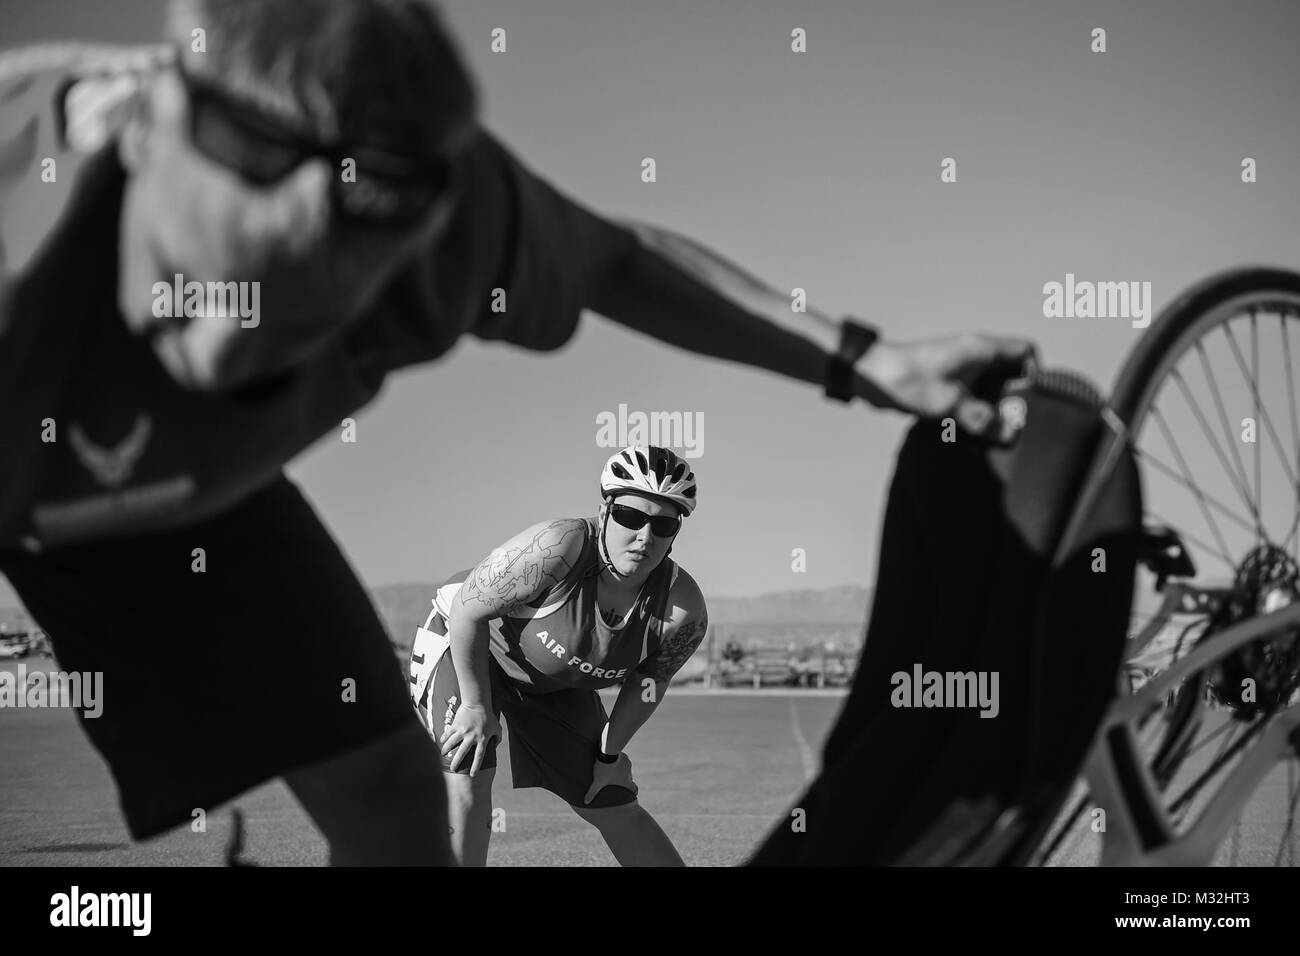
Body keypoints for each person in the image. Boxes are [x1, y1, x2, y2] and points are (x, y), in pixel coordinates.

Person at [0, 0, 1030, 866]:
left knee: (396, 799)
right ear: (147, 126)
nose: (228, 352)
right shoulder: (23, 218)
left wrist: (865, 361)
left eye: (301, 330)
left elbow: (615, 262)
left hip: (199, 504)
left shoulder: (447, 226)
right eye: (201, 299)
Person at [409, 445, 706, 866]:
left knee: (612, 800)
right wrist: (476, 706)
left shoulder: (682, 610)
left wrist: (609, 757)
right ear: (605, 512)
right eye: (630, 517)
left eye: (663, 524)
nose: (644, 536)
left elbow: (647, 686)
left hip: (555, 682)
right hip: (472, 650)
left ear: (676, 532)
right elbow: (467, 611)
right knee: (468, 775)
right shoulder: (557, 546)